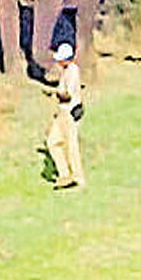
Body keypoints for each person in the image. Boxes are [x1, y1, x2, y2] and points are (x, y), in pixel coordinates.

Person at [46, 43, 85, 189]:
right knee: (53, 142)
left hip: (69, 111)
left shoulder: (73, 71)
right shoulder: (66, 71)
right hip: (62, 111)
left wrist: (56, 93)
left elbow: (67, 94)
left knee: (71, 146)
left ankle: (76, 177)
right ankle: (65, 174)